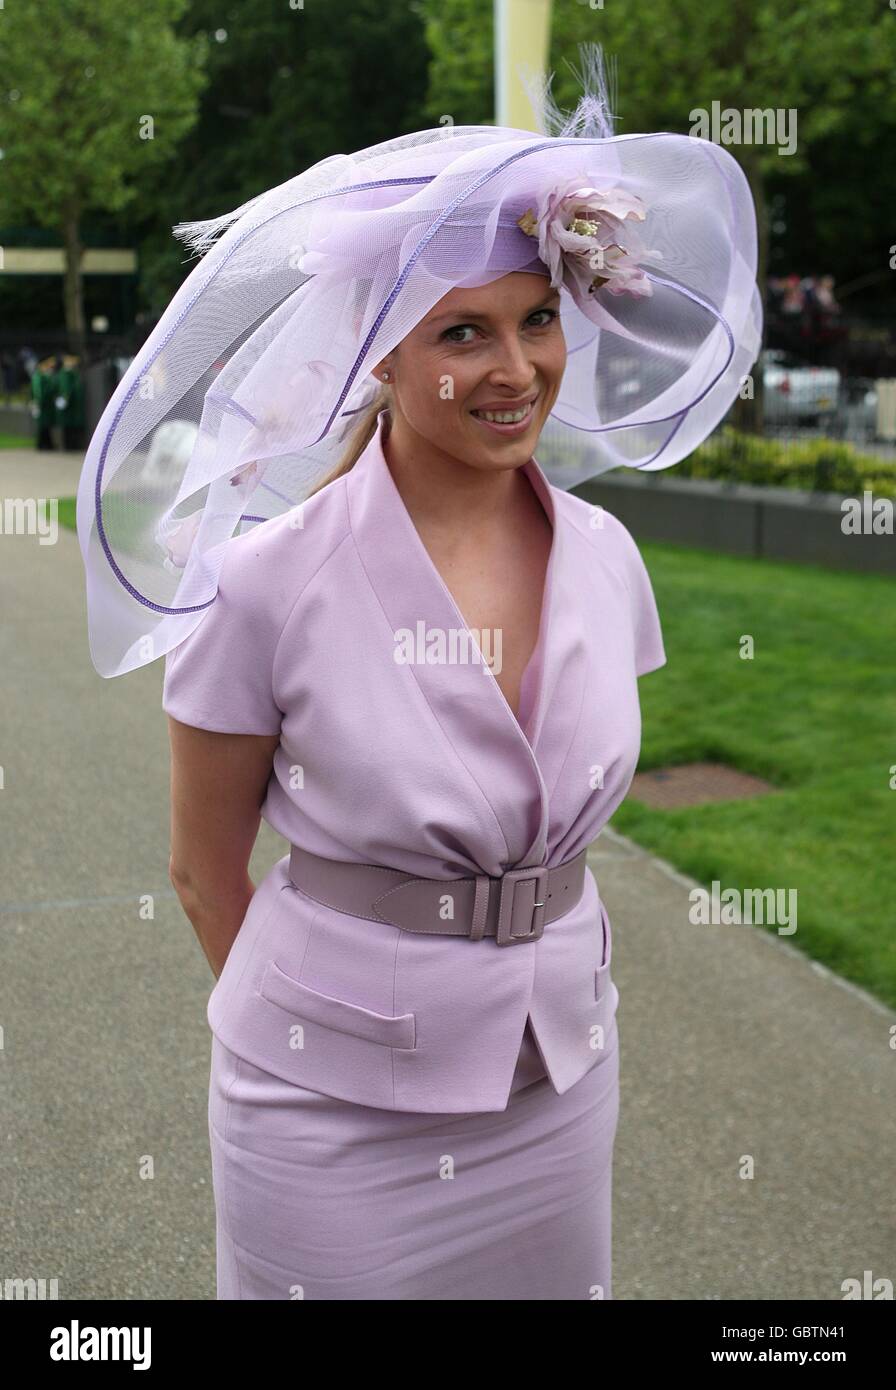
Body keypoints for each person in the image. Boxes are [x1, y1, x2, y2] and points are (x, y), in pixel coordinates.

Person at [75, 43, 761, 1299]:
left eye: (536, 319)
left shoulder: (604, 558)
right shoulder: (264, 583)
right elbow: (199, 869)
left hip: (558, 1088)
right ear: (378, 358)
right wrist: (326, 1042)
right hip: (325, 1115)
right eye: (462, 332)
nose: (514, 370)